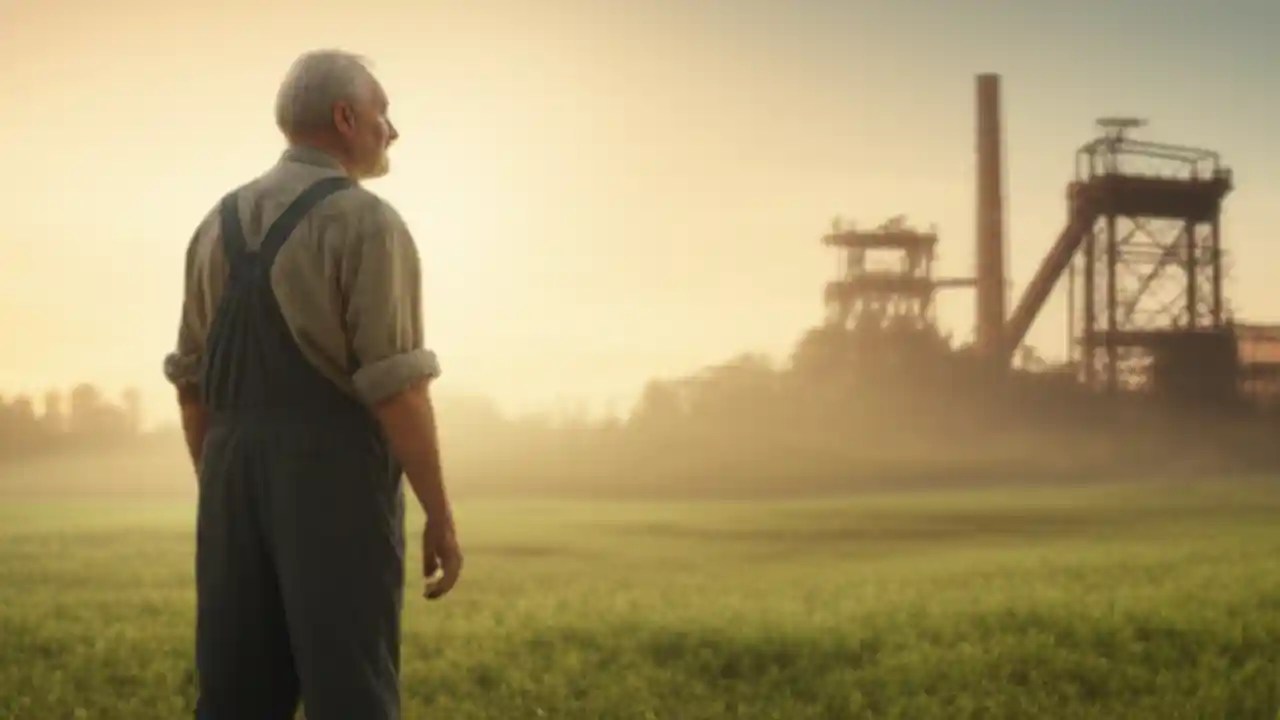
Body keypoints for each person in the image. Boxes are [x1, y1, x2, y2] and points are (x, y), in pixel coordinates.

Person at [162, 49, 462, 720]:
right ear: (345, 117)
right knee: (352, 691)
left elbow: (190, 385)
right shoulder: (368, 223)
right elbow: (398, 389)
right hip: (334, 481)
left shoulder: (215, 223)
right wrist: (439, 514)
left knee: (235, 697)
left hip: (230, 476)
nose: (393, 130)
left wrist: (226, 488)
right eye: (383, 113)